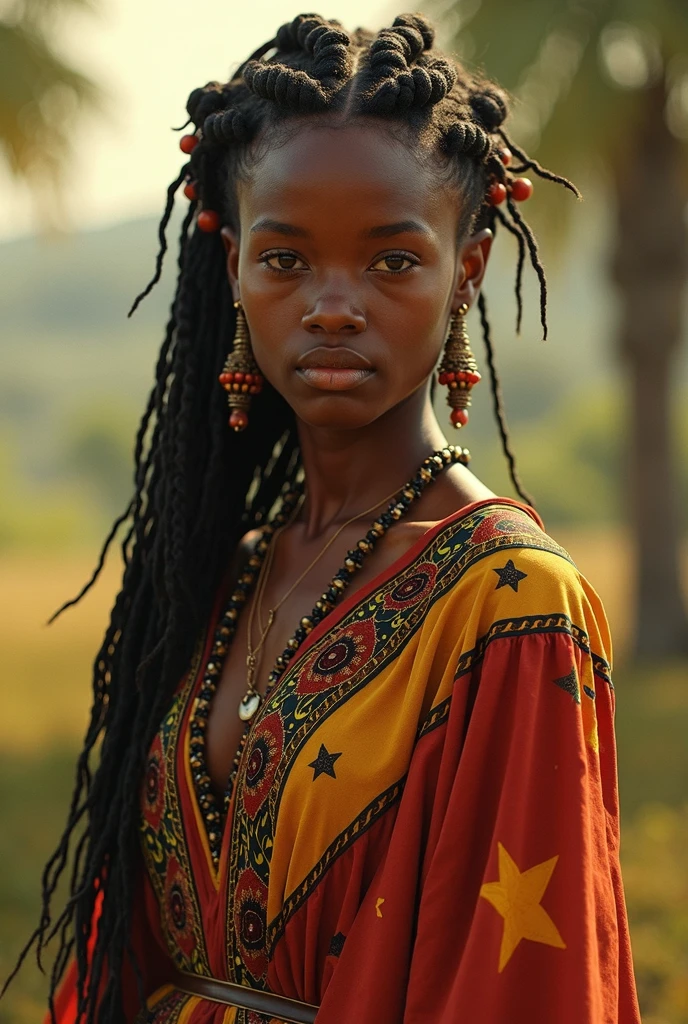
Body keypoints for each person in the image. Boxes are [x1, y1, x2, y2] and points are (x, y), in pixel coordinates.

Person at [13, 12, 640, 1023]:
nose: (333, 305)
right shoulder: (221, 573)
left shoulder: (511, 607)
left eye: (391, 262)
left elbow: (514, 985)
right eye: (286, 259)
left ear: (464, 272)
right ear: (235, 273)